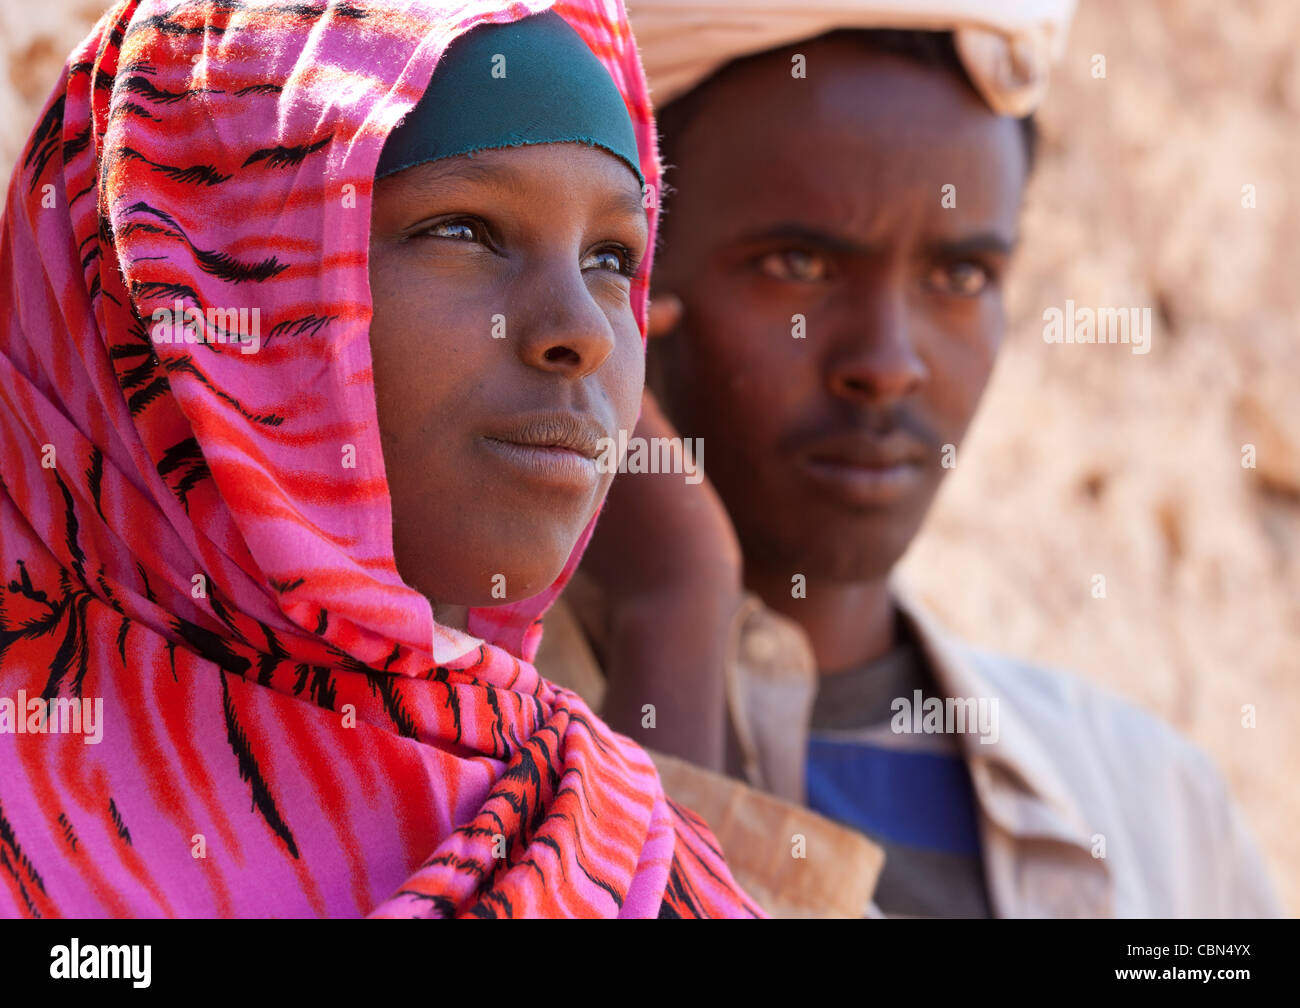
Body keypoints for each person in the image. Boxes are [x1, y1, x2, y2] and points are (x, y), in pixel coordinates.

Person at [0, 0, 763, 919]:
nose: (582, 334)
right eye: (462, 230)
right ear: (198, 288)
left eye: (611, 255)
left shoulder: (619, 834)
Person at [538, 1, 1286, 917]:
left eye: (960, 276)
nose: (887, 364)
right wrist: (680, 608)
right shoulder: (457, 744)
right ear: (628, 283)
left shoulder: (1154, 809)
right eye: (798, 264)